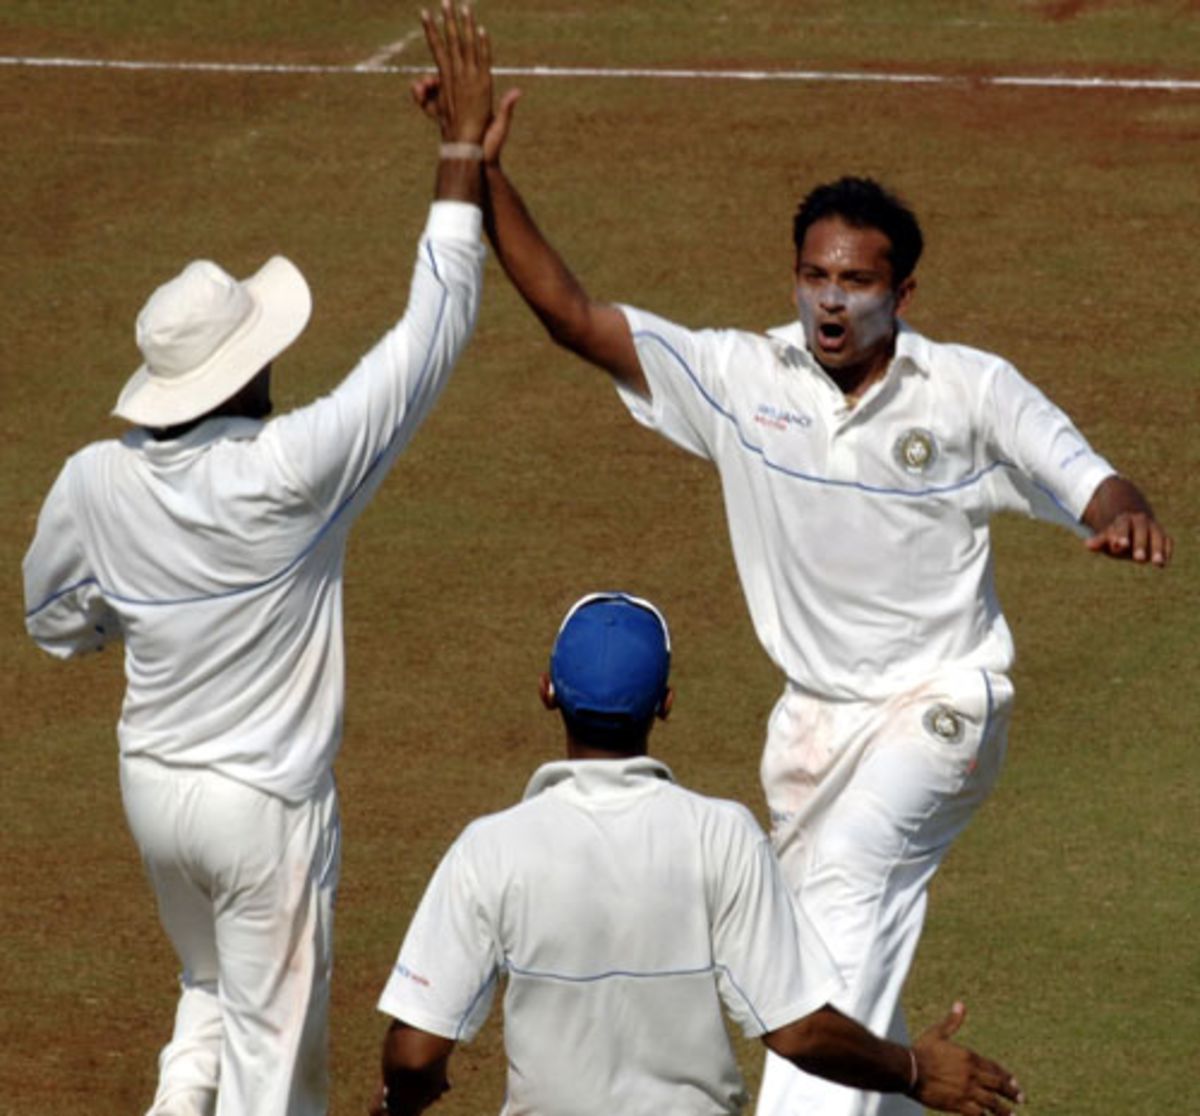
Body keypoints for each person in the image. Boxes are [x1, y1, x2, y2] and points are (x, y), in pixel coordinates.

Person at [408, 74, 1174, 1115]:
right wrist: (482, 170)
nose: (829, 297)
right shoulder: (741, 377)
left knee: (847, 897)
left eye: (856, 280)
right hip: (813, 724)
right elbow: (575, 317)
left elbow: (1081, 467)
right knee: (810, 949)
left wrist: (1120, 507)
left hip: (944, 704)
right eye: (813, 274)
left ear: (901, 295)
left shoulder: (969, 391)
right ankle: (908, 1091)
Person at [21, 8, 495, 1114]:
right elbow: (434, 332)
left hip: (154, 791)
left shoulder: (95, 478)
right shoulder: (294, 466)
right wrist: (461, 156)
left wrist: (132, 609)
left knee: (206, 988)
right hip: (259, 811)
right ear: (244, 376)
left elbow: (55, 624)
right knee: (275, 1070)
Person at [371, 591, 1024, 1116]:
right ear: (665, 704)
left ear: (548, 691)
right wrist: (910, 1071)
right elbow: (798, 1031)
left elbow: (415, 1053)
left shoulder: (489, 850)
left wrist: (398, 1106)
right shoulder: (723, 835)